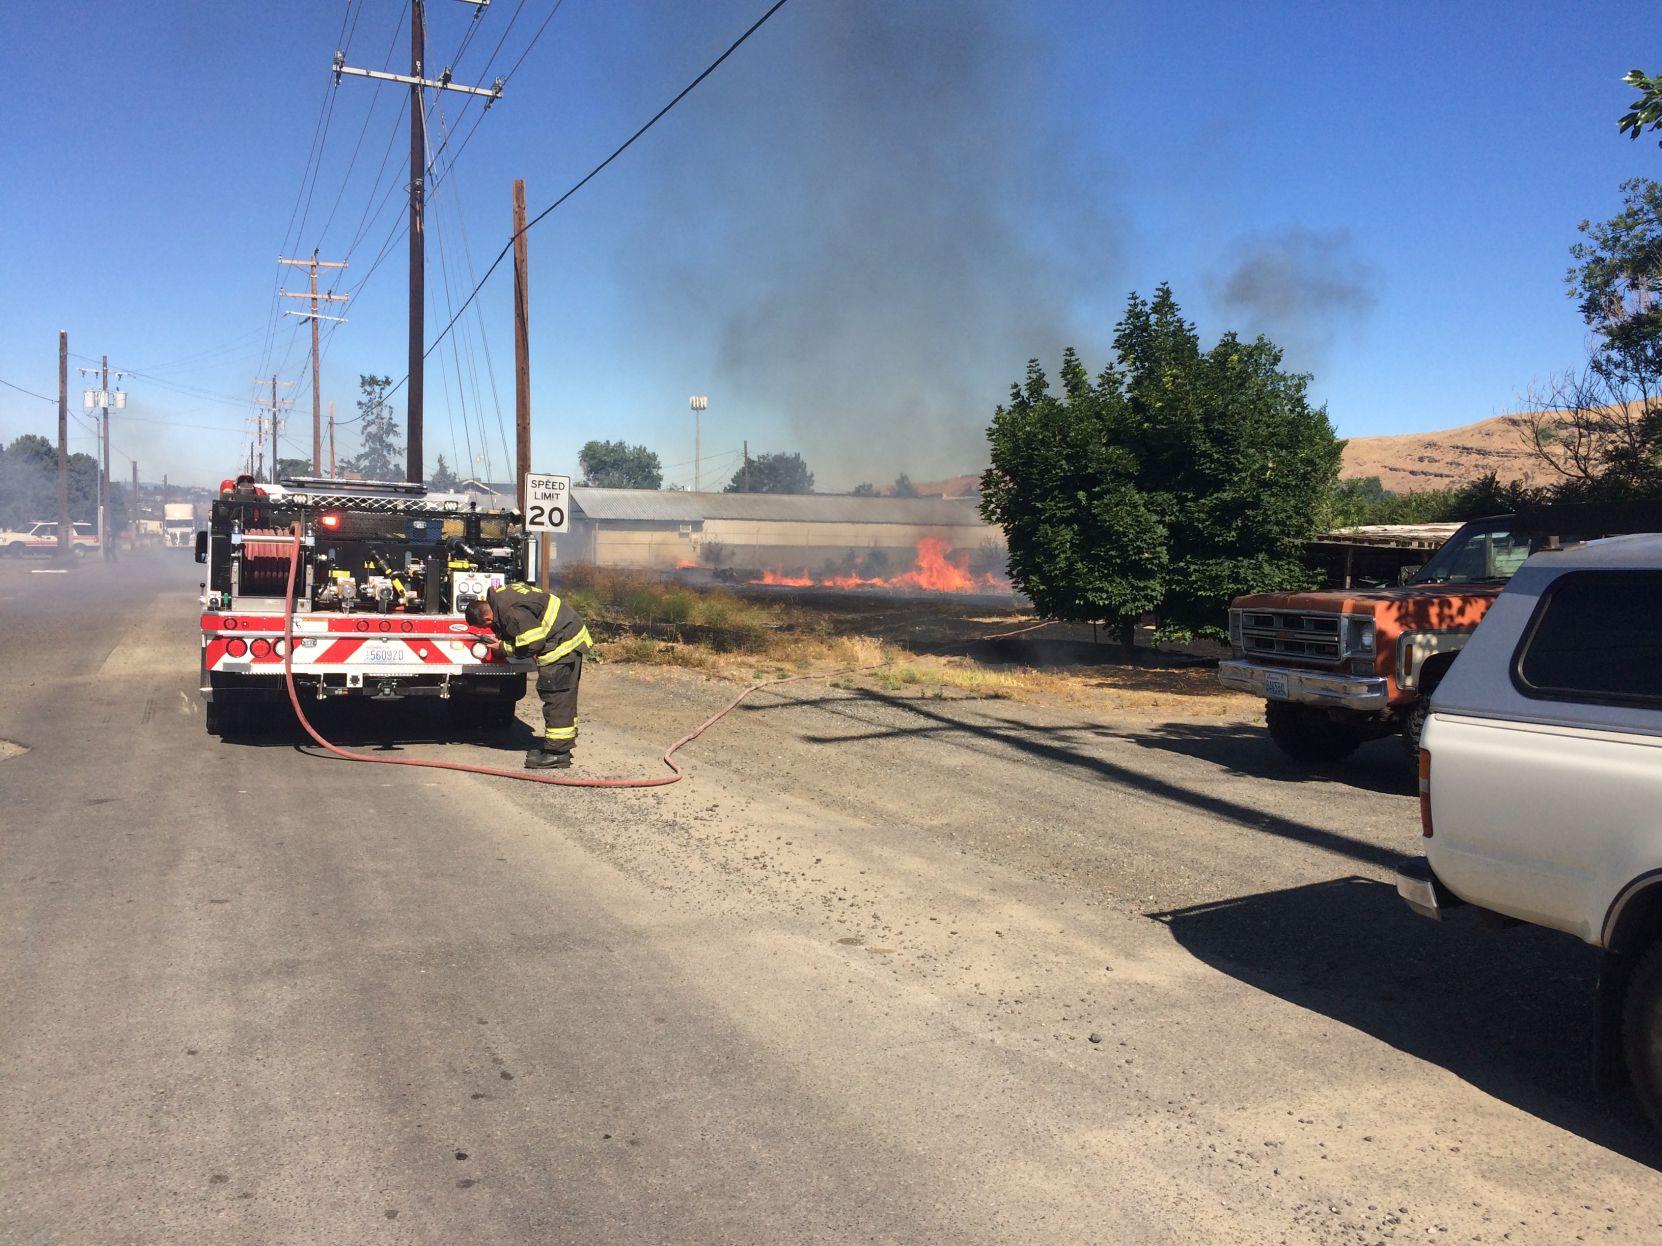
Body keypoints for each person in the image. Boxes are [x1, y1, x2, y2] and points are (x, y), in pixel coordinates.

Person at [464, 582, 593, 769]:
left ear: (486, 617)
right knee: (563, 698)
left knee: (556, 697)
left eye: (487, 626)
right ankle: (561, 747)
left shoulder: (509, 611)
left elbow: (533, 643)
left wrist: (503, 648)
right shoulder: (501, 596)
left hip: (562, 644)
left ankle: (557, 754)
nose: (490, 629)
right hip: (566, 635)